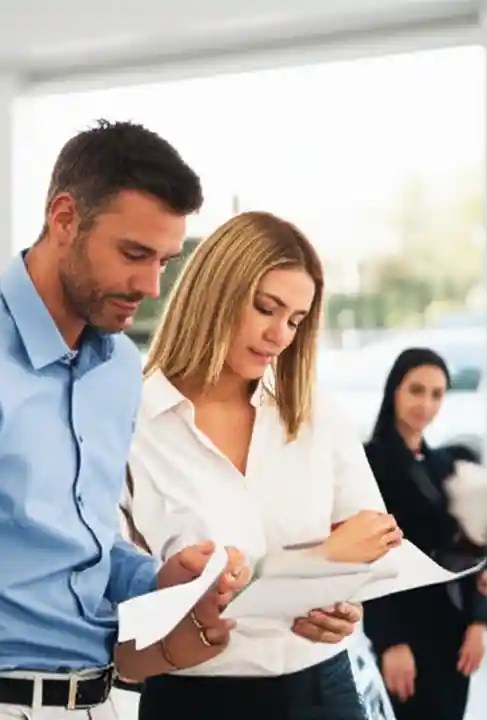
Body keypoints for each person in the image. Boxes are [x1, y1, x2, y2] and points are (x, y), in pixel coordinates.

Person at [0, 120, 251, 720]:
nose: (150, 286)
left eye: (165, 262)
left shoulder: (118, 366)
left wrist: (158, 578)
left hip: (103, 701)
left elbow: (81, 543)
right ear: (65, 218)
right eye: (134, 254)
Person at [122, 211, 405, 720]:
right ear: (214, 294)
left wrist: (342, 610)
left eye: (296, 320)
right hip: (193, 701)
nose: (280, 335)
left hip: (322, 693)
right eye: (265, 309)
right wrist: (316, 561)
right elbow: (118, 605)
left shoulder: (315, 415)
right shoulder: (132, 422)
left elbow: (372, 543)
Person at [360, 348, 487, 720]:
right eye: (416, 390)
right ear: (394, 391)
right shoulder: (369, 464)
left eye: (437, 394)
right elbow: (369, 562)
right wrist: (390, 642)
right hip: (406, 631)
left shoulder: (446, 464)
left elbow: (474, 546)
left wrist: (478, 622)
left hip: (454, 633)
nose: (426, 403)